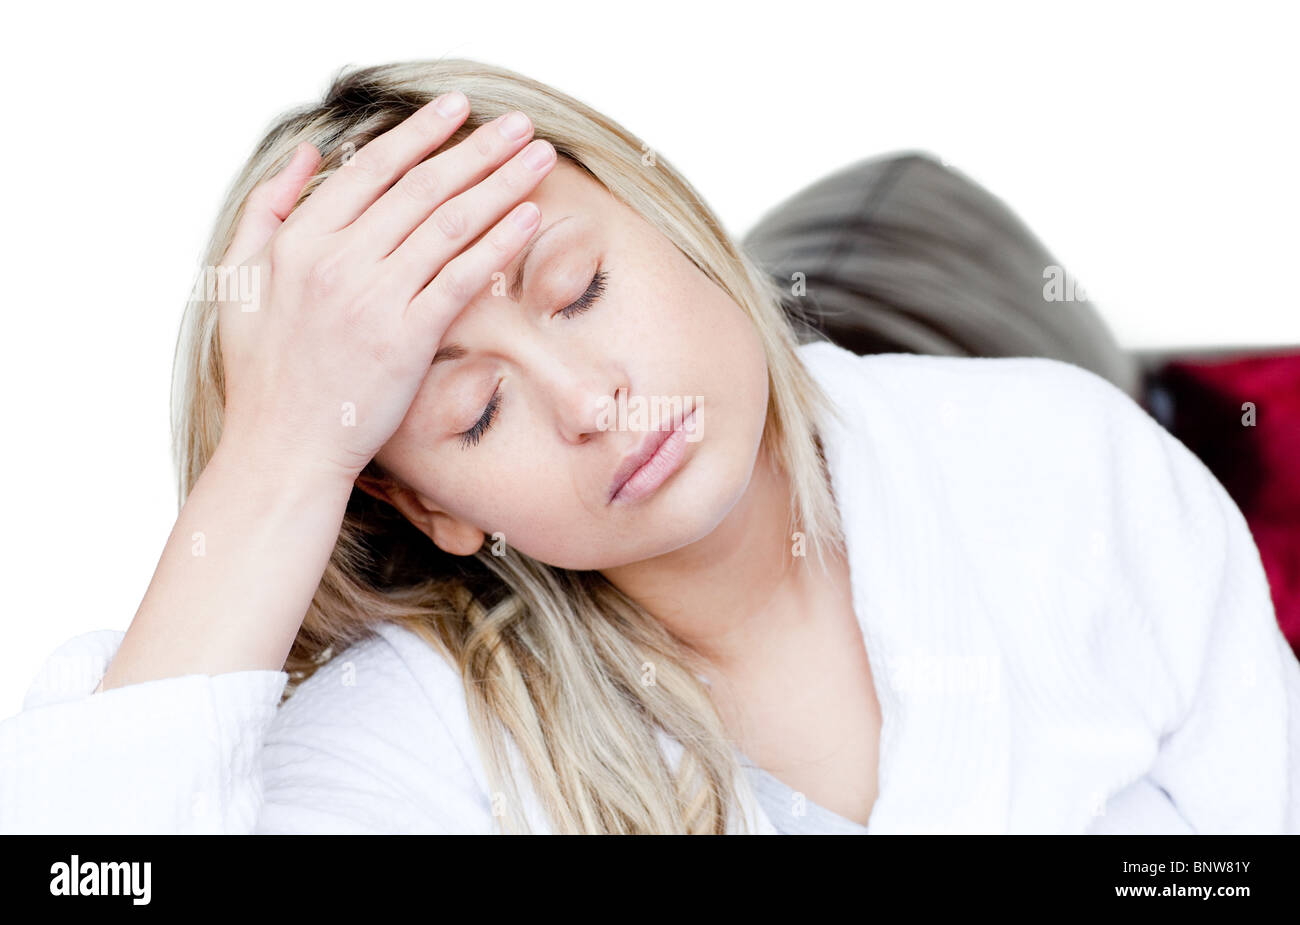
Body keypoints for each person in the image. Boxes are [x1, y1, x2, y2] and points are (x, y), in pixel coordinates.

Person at [2, 58, 1296, 835]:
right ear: (435, 507)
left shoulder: (1066, 464)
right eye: (475, 411)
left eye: (574, 287)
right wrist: (281, 449)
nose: (590, 397)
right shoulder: (427, 729)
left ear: (659, 206)